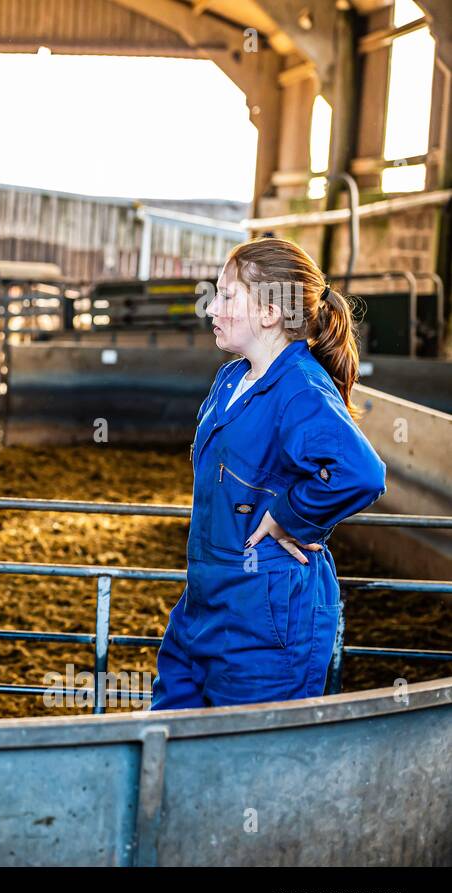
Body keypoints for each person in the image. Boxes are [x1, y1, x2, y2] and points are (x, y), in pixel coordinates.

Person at [150, 237, 386, 710]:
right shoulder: (231, 378)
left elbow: (360, 472)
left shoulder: (300, 388)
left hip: (268, 617)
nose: (212, 307)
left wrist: (290, 518)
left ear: (271, 313)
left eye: (227, 295)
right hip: (205, 600)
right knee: (168, 741)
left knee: (248, 763)